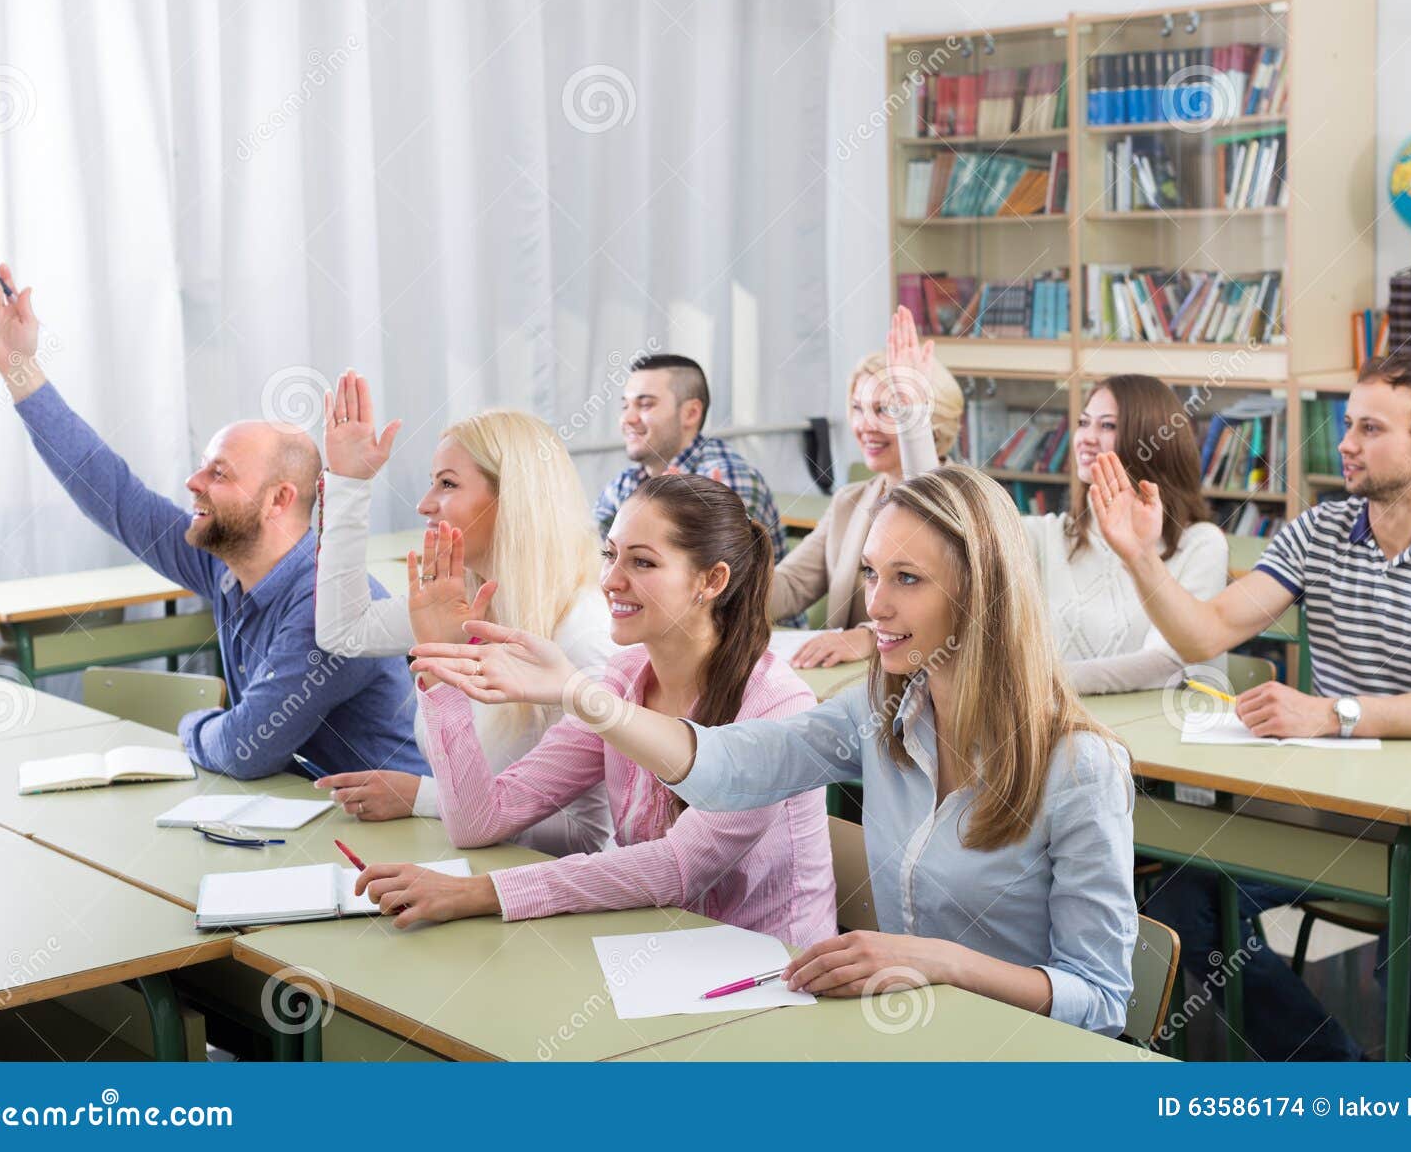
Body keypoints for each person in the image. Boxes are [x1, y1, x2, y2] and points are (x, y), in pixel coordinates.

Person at [409, 465, 1137, 1034]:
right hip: (917, 1035)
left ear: (981, 595)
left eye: (907, 580)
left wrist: (941, 963)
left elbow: (1101, 1000)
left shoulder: (1081, 768)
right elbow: (731, 768)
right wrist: (582, 694)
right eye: (872, 574)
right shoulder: (880, 713)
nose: (873, 606)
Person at [1092, 351, 1411, 1060]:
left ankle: (1410, 1111)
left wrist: (1335, 712)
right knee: (1185, 897)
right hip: (1336, 808)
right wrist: (1141, 558)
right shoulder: (1318, 531)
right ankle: (1341, 1077)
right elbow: (1204, 631)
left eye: (1370, 427)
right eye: (1346, 424)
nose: (1346, 443)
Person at [0, 264, 425, 780]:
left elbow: (246, 750)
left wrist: (193, 724)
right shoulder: (228, 565)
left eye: (218, 472)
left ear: (278, 500)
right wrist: (19, 367)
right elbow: (112, 494)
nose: (193, 481)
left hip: (410, 840)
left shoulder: (327, 605)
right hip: (323, 820)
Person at [357, 475, 837, 947]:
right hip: (648, 951)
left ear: (711, 581)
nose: (610, 580)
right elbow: (479, 822)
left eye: (642, 562)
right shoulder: (624, 677)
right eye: (610, 554)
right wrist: (443, 664)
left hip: (771, 975)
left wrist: (481, 893)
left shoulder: (777, 704)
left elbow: (678, 869)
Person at [310, 371, 614, 854]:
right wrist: (348, 483)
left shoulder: (583, 629)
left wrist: (422, 797)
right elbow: (343, 630)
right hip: (468, 865)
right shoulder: (458, 601)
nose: (424, 504)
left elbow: (589, 837)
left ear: (512, 497)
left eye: (447, 484)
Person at [772, 306, 963, 668]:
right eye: (858, 408)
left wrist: (865, 636)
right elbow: (789, 588)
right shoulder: (849, 502)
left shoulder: (963, 502)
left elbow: (956, 609)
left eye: (888, 410)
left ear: (927, 417)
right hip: (849, 685)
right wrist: (712, 563)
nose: (866, 425)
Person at [1024, 374, 1228, 694]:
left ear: (1152, 440)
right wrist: (918, 427)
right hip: (1074, 731)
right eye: (1083, 422)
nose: (1086, 438)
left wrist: (1039, 682)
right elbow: (947, 531)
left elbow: (1166, 665)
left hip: (1165, 735)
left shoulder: (1202, 544)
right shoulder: (1051, 535)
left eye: (1107, 426)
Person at [593, 353, 787, 561]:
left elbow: (721, 586)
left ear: (691, 413)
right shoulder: (626, 483)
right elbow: (588, 555)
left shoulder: (726, 478)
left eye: (646, 404)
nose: (627, 418)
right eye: (625, 406)